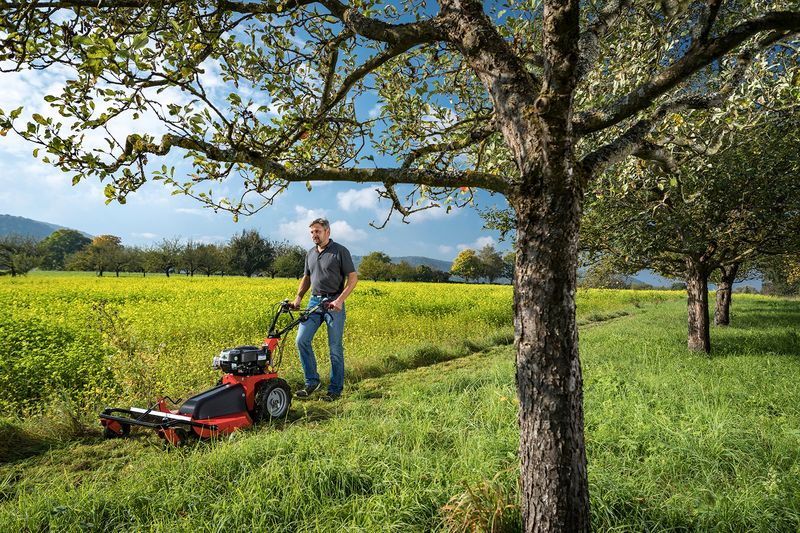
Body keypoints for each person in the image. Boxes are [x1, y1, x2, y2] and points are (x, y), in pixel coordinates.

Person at [290, 218, 358, 401]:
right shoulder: (310, 253)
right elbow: (307, 278)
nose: (314, 235)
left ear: (328, 232)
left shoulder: (340, 251)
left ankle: (335, 390)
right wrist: (298, 298)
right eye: (312, 232)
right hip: (314, 302)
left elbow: (353, 278)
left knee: (334, 347)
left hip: (333, 302)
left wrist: (340, 300)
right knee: (301, 340)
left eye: (318, 231)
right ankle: (312, 382)